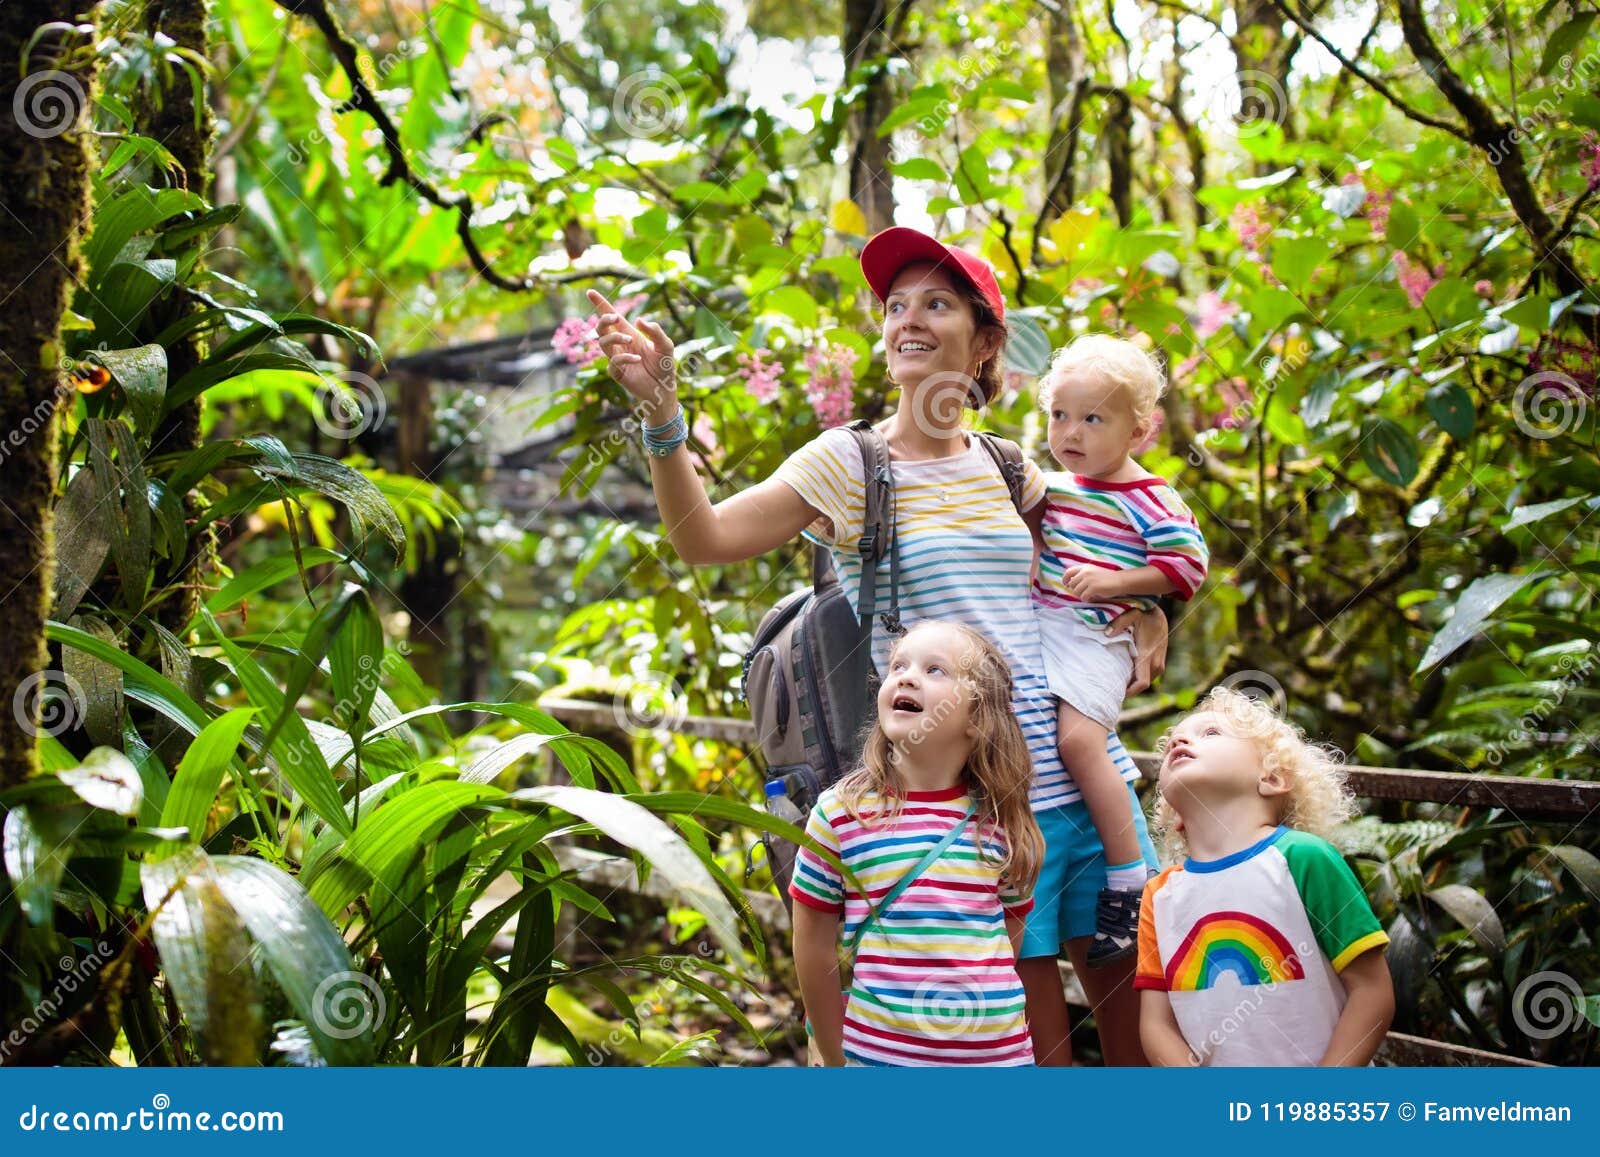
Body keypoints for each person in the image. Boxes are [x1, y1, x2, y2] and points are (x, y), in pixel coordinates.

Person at [586, 225, 1169, 1065]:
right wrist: (662, 415)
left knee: (1139, 1042)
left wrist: (1152, 611)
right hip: (987, 808)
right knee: (1033, 1060)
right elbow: (702, 538)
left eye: (937, 303)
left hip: (1088, 782)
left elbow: (1100, 558)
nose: (910, 319)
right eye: (897, 306)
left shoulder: (1009, 465)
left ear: (985, 341)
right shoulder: (851, 462)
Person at [1028, 336, 1209, 967]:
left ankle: (1128, 878)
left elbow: (1187, 567)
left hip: (1097, 636)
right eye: (1059, 415)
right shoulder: (1053, 487)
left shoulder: (1150, 497)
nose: (1070, 432)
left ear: (1138, 431)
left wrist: (1120, 585)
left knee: (1080, 743)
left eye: (1092, 419)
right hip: (1047, 632)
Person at [788, 620, 1044, 1066]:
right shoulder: (841, 814)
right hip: (879, 1060)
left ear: (977, 718)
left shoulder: (999, 820)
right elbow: (812, 947)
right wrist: (833, 1057)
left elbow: (1008, 938)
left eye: (935, 670)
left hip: (1001, 1060)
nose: (906, 677)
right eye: (898, 666)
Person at [1136, 687, 1395, 1066]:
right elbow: (1156, 1024)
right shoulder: (1159, 896)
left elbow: (1372, 991)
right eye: (1174, 739)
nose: (1178, 740)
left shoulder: (1304, 858)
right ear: (1174, 816)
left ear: (1271, 777)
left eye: (1211, 732)